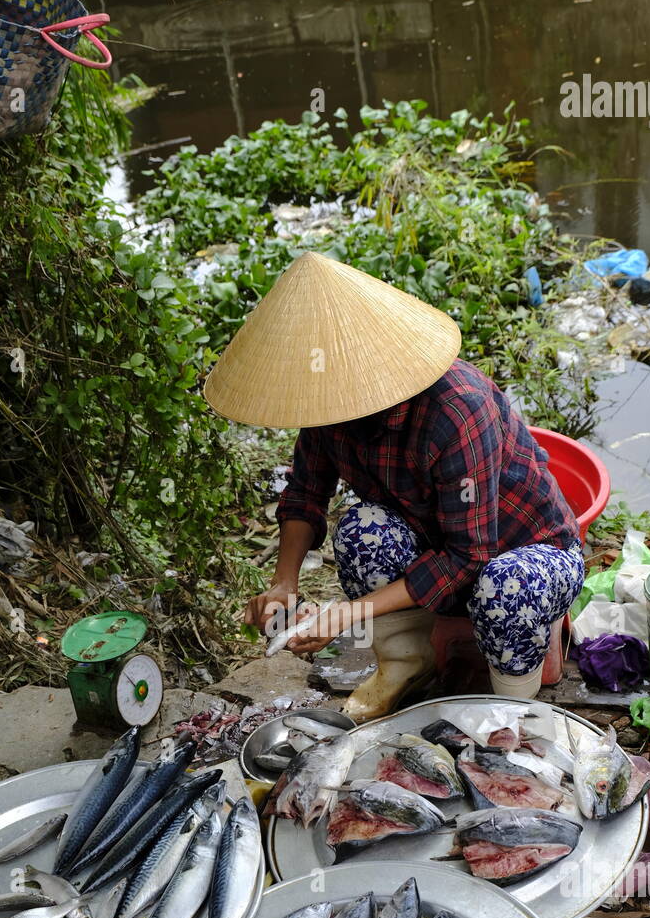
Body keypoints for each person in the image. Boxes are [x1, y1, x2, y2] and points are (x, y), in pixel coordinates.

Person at [204, 252, 585, 722]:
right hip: (432, 550)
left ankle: (509, 704)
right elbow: (305, 493)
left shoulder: (457, 409)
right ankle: (407, 664)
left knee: (505, 587)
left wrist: (348, 613)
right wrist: (285, 583)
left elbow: (470, 554)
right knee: (361, 531)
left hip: (522, 551)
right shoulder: (329, 408)